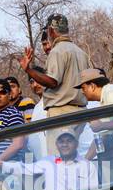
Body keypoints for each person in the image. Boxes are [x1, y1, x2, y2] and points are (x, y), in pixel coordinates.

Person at [20, 13, 89, 153]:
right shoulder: (81, 52)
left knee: (59, 162)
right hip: (80, 112)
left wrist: (28, 70)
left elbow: (52, 81)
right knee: (73, 160)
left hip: (62, 114)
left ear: (51, 30)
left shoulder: (57, 51)